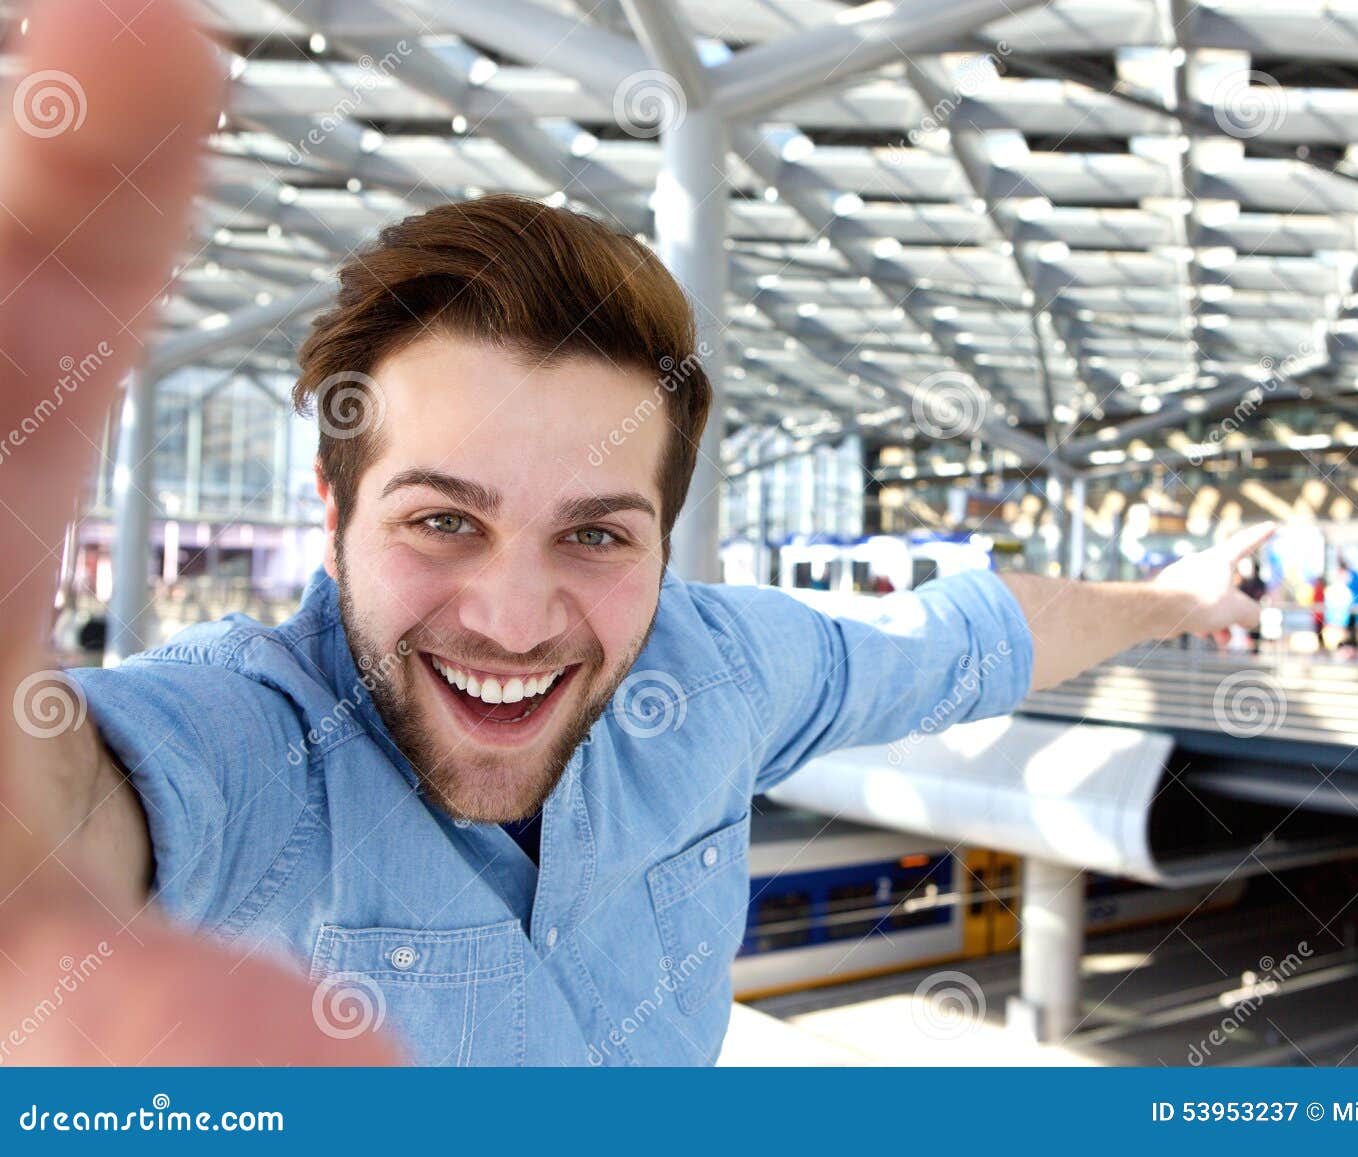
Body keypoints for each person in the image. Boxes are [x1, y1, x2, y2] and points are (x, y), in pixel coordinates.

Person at [1, 0, 1272, 1067]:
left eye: (596, 535)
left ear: (665, 536)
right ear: (332, 516)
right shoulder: (259, 743)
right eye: (443, 518)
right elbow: (90, 803)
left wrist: (1175, 598)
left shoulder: (716, 671)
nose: (512, 615)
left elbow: (971, 637)